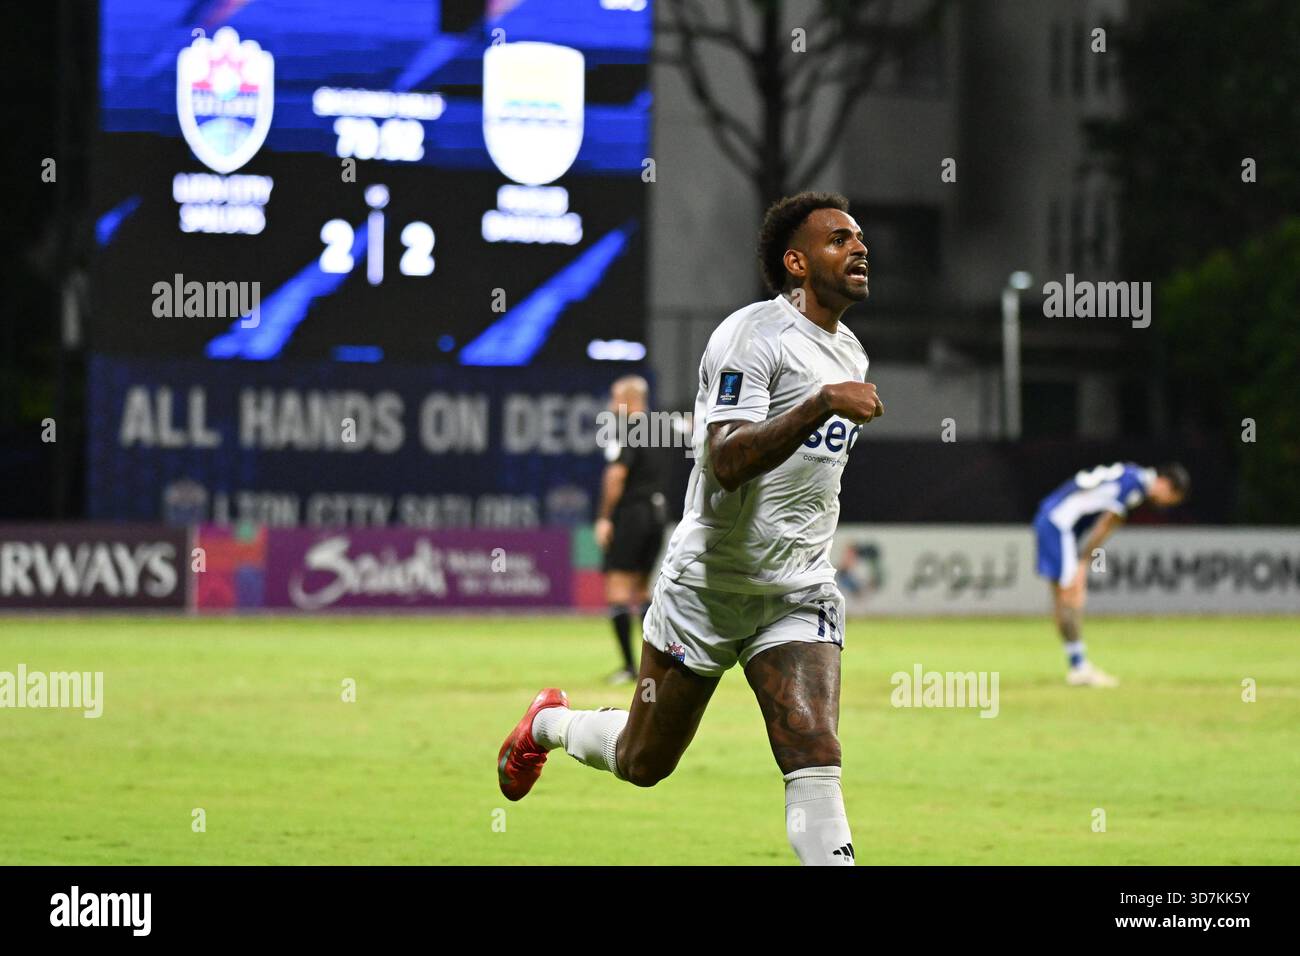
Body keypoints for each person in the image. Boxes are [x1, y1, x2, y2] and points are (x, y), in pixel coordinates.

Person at [498, 191, 883, 865]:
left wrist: (828, 398)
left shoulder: (850, 353)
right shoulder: (752, 337)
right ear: (796, 263)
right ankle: (548, 724)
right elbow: (727, 460)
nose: (859, 247)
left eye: (859, 237)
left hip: (799, 592)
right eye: (838, 239)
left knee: (814, 752)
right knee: (644, 761)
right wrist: (820, 404)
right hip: (708, 588)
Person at [1033, 461, 1190, 686]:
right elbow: (1106, 524)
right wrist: (1085, 561)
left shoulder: (1131, 473)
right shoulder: (1135, 486)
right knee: (1072, 594)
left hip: (1050, 516)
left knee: (1061, 597)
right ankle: (1080, 668)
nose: (1165, 504)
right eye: (1170, 499)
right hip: (1060, 524)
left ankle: (1076, 663)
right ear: (1166, 484)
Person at [594, 375, 671, 683]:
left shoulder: (626, 430)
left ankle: (629, 667)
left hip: (632, 514)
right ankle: (658, 667)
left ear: (628, 400)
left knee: (618, 590)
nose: (612, 406)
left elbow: (615, 477)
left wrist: (604, 517)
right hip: (658, 512)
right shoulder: (663, 428)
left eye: (615, 399)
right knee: (643, 591)